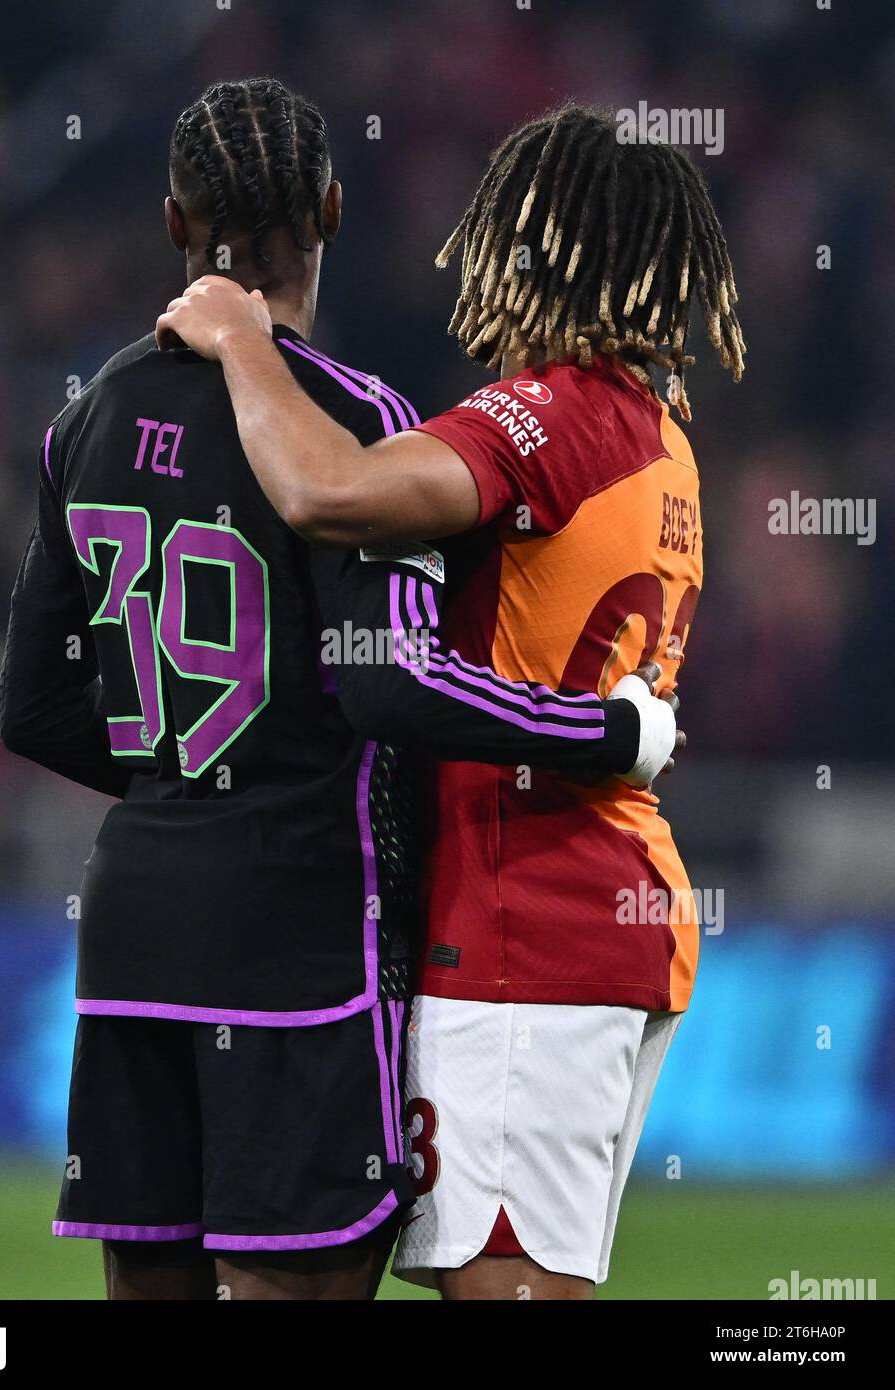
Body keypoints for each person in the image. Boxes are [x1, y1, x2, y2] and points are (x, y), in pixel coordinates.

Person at [0, 83, 678, 1302]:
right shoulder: (355, 424)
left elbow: (30, 710)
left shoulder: (82, 422)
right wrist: (602, 732)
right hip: (297, 923)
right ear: (332, 206)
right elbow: (390, 684)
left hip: (132, 920)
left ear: (171, 222)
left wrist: (188, 765)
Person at [155, 99, 744, 1300]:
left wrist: (241, 340)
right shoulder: (660, 436)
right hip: (598, 910)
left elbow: (329, 493)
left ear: (541, 245)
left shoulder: (552, 417)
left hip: (528, 926)